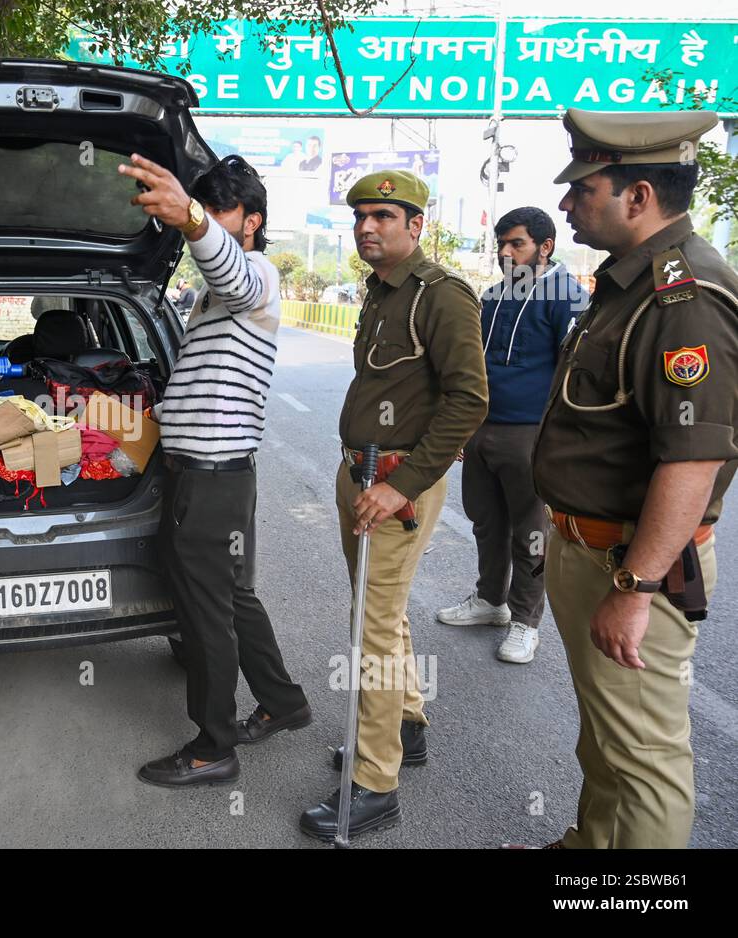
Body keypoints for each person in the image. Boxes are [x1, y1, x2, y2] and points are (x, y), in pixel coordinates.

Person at [533, 109, 737, 849]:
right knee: (608, 732)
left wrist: (636, 588)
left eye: (582, 188)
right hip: (590, 550)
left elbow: (692, 460)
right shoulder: (631, 283)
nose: (566, 204)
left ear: (638, 194)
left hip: (628, 562)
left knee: (647, 758)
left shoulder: (686, 299)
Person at [298, 170, 488, 840]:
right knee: (380, 608)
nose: (367, 228)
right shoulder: (381, 292)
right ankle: (406, 725)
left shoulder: (442, 295)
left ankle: (375, 783)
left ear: (416, 225)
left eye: (383, 215)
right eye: (360, 217)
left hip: (397, 484)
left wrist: (401, 486)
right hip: (364, 473)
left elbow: (470, 398)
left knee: (372, 629)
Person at [119, 152, 312, 788]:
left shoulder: (253, 273)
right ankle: (283, 702)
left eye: (221, 209)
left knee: (205, 614)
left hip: (210, 476)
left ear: (251, 221)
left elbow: (235, 275)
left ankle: (212, 746)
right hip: (217, 474)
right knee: (232, 596)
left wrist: (194, 218)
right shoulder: (212, 295)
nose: (204, 223)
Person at [436, 207, 587, 664]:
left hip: (530, 434)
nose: (505, 252)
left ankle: (525, 621)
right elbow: (473, 366)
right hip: (483, 427)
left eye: (516, 243)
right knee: (486, 520)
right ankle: (490, 601)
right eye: (501, 242)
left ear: (545, 246)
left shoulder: (569, 297)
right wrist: (462, 426)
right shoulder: (493, 294)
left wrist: (558, 440)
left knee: (530, 531)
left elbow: (577, 375)